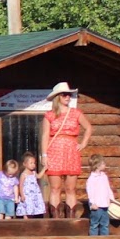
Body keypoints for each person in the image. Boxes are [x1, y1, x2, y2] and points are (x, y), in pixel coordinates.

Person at [41, 82, 92, 218]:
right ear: (57, 97)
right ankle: (56, 219)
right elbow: (45, 135)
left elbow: (88, 128)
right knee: (55, 188)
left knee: (70, 188)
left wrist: (83, 143)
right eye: (64, 95)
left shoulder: (76, 113)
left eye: (69, 94)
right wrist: (44, 155)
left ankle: (70, 219)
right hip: (54, 152)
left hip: (71, 152)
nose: (68, 97)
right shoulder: (49, 115)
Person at [84, 158, 120, 236]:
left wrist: (112, 198)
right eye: (103, 164)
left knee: (105, 224)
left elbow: (108, 188)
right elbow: (90, 192)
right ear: (97, 166)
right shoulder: (92, 179)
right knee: (94, 224)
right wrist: (92, 203)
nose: (105, 165)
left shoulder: (104, 176)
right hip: (97, 206)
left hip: (105, 205)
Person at [16, 152, 46, 219]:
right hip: (27, 195)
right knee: (26, 207)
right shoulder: (23, 174)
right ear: (25, 164)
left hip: (34, 194)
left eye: (34, 163)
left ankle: (32, 219)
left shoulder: (34, 173)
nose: (33, 165)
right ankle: (26, 219)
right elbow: (20, 185)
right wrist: (22, 195)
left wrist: (44, 169)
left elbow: (39, 176)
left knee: (33, 207)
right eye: (31, 163)